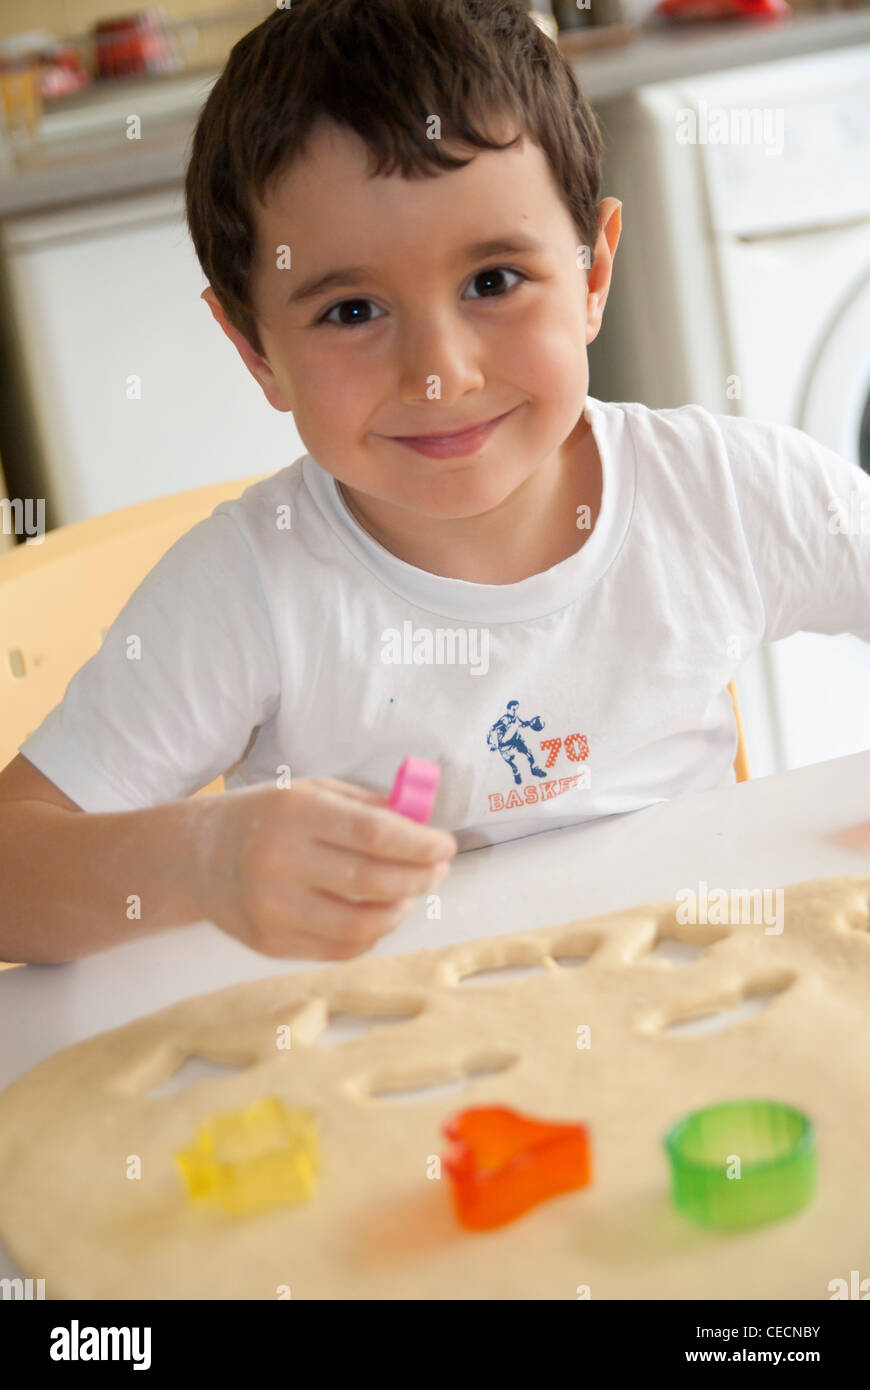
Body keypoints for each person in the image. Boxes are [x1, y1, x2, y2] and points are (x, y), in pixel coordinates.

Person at [2, 0, 869, 965]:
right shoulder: (246, 592)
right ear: (254, 350)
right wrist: (203, 861)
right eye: (352, 309)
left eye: (493, 281)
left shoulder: (719, 490)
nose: (439, 374)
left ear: (592, 272)